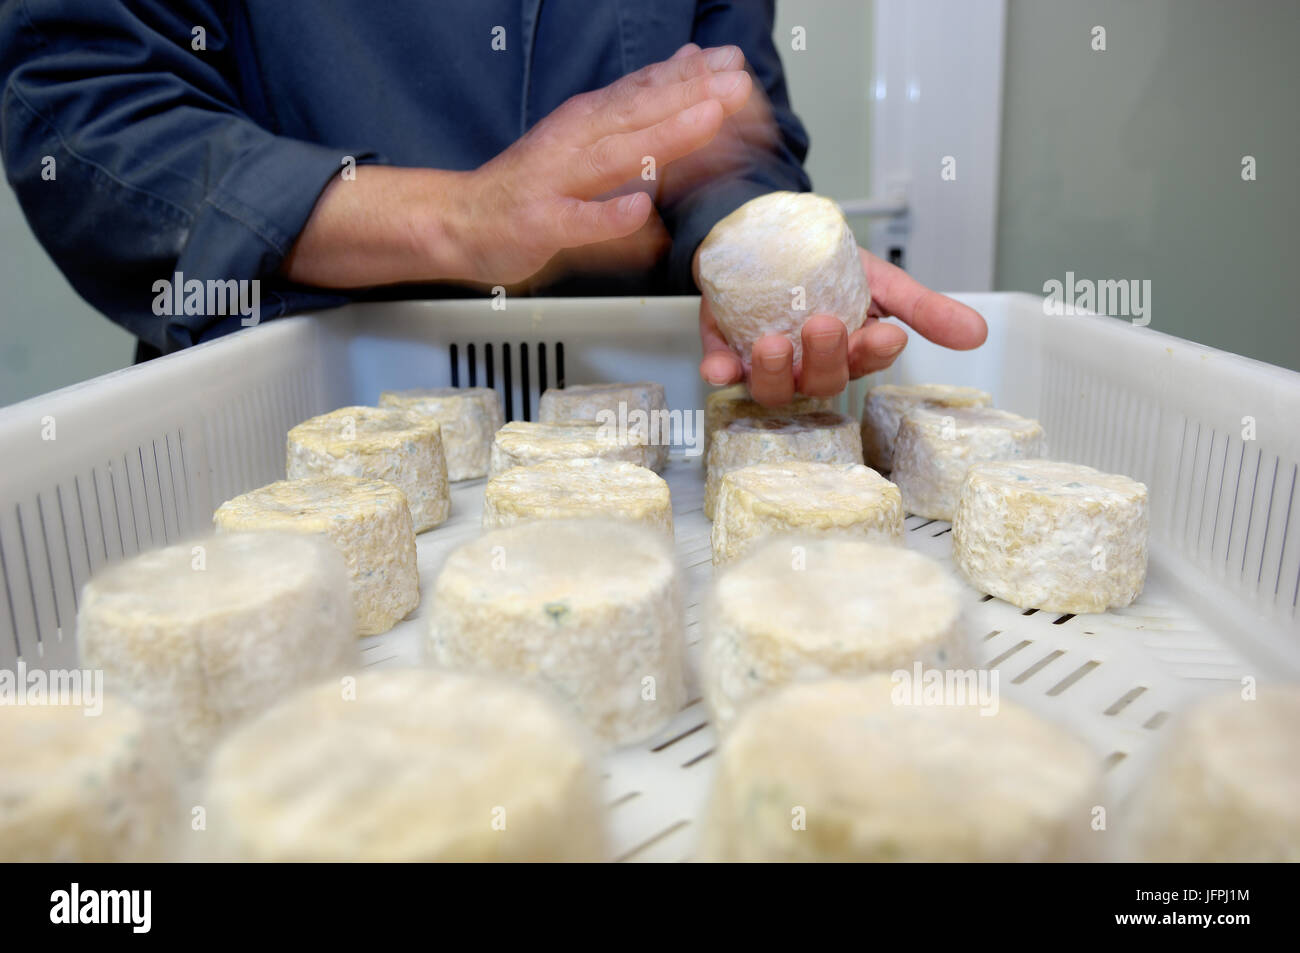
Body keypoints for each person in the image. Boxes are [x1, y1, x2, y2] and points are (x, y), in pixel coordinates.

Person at [0, 1, 984, 406]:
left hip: (631, 410)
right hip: (293, 402)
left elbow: (726, 109)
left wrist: (755, 244)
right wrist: (460, 217)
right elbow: (87, 108)